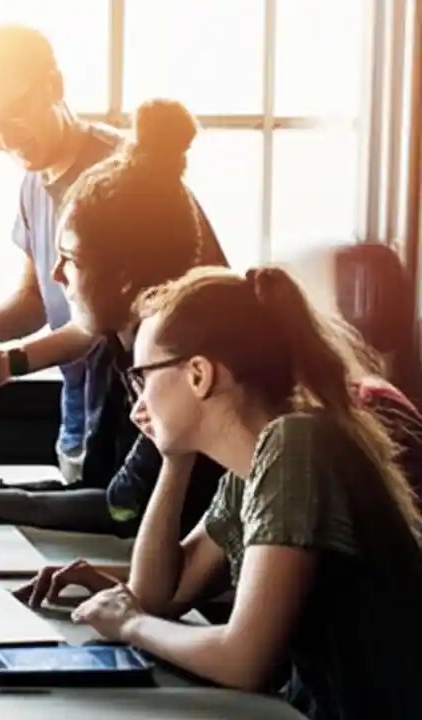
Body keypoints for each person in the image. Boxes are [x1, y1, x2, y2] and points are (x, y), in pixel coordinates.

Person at [71, 265, 422, 719]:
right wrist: (174, 460)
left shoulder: (295, 446)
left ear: (199, 375)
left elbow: (243, 660)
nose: (137, 401)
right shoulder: (255, 466)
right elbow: (161, 593)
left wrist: (131, 626)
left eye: (143, 377)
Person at [0, 100, 226, 541]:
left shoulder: (178, 371)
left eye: (70, 259)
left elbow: (120, 508)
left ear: (123, 277)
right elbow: (98, 490)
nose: (56, 274)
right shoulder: (119, 348)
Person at [0, 25, 221, 483]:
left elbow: (184, 303)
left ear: (54, 86)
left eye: (13, 116)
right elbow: (39, 300)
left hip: (151, 422)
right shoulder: (32, 181)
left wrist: (9, 363)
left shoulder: (131, 176)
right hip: (80, 421)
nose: (4, 140)